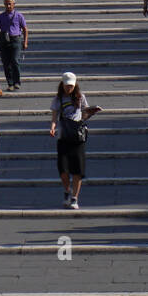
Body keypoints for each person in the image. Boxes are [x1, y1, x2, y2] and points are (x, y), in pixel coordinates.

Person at [50, 73, 101, 211]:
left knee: (78, 170)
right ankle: (67, 190)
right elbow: (54, 116)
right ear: (62, 85)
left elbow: (84, 115)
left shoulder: (80, 97)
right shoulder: (58, 99)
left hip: (78, 136)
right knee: (63, 169)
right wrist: (52, 127)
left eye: (71, 86)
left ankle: (74, 197)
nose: (69, 88)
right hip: (63, 135)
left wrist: (92, 112)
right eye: (67, 86)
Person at [0, 0, 28, 90]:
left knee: (15, 60)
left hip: (15, 39)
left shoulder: (19, 15)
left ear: (13, 4)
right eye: (6, 4)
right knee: (6, 62)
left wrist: (25, 42)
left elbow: (25, 29)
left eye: (10, 4)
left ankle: (17, 82)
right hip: (4, 40)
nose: (8, 6)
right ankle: (10, 83)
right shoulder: (1, 16)